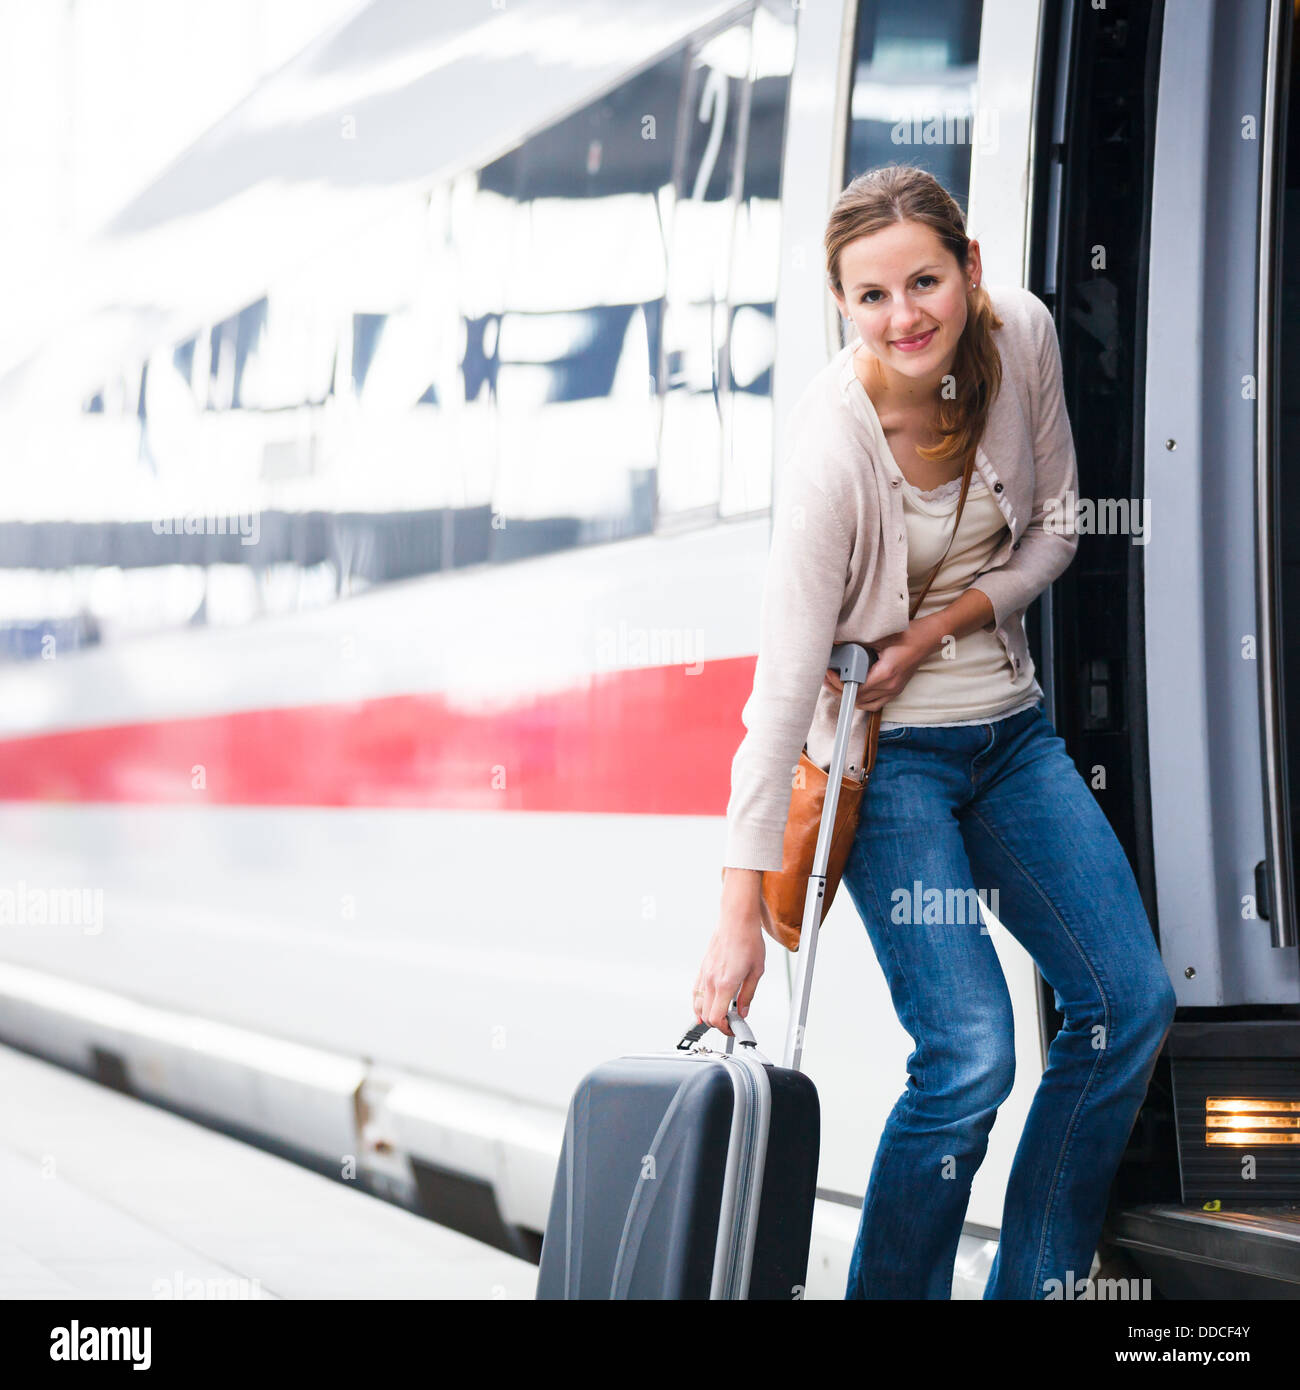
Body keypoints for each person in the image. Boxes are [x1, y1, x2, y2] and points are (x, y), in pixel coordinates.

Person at [691, 163, 1177, 1300]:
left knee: (1126, 1003)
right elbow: (776, 698)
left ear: (968, 271)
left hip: (1008, 735)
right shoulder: (832, 452)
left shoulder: (1024, 341)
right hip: (888, 763)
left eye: (924, 280)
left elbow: (1055, 533)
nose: (903, 315)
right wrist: (734, 917)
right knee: (968, 1056)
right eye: (870, 296)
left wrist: (937, 628)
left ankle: (1034, 1285)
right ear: (840, 304)